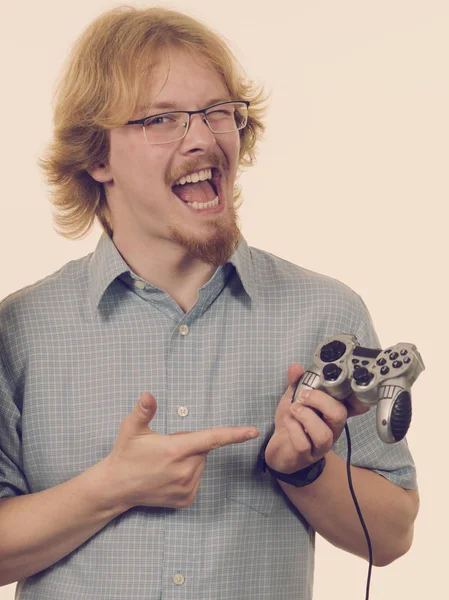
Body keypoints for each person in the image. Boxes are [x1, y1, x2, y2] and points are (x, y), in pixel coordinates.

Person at [0, 6, 419, 599]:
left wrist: (304, 470)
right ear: (97, 157)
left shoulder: (326, 316)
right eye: (161, 118)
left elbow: (394, 535)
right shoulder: (20, 330)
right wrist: (111, 488)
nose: (202, 137)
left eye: (218, 111)